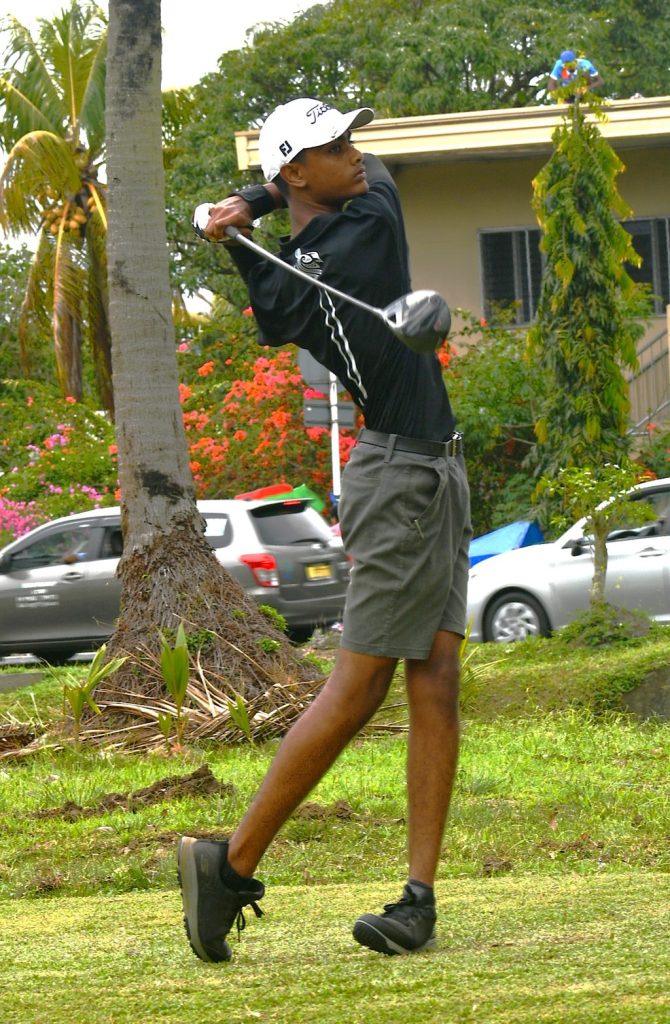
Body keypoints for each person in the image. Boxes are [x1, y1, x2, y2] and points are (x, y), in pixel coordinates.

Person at [178, 97, 472, 963]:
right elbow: (360, 200)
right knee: (358, 688)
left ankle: (417, 899)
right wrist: (252, 213)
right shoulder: (360, 235)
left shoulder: (299, 258)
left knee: (438, 677)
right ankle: (227, 866)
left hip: (432, 466)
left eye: (349, 140)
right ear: (303, 171)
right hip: (399, 473)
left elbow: (273, 289)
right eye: (335, 147)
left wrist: (247, 211)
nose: (359, 155)